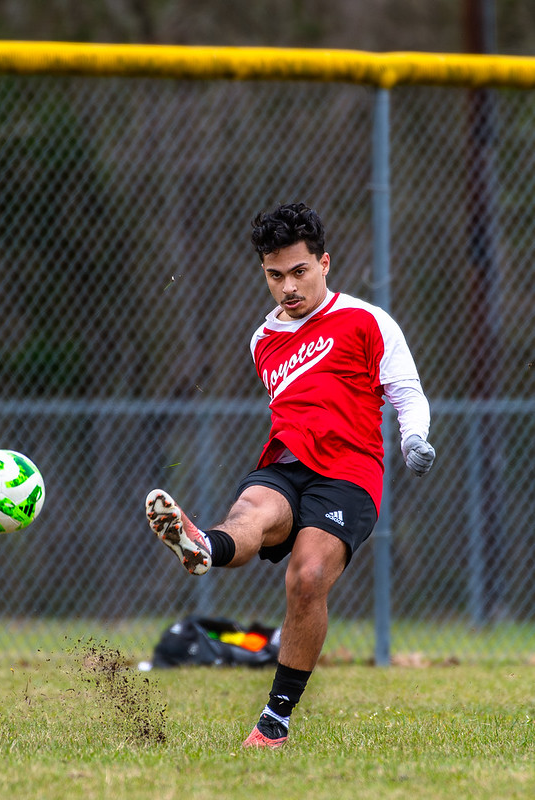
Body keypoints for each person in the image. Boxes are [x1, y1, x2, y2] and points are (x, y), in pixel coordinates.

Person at [145, 202, 435, 748]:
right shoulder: (262, 340)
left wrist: (413, 438)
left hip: (349, 474)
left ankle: (275, 718)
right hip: (285, 461)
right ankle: (204, 546)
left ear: (324, 262)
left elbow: (407, 393)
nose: (288, 287)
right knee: (252, 513)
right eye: (275, 275)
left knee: (306, 577)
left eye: (299, 271)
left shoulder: (368, 322)